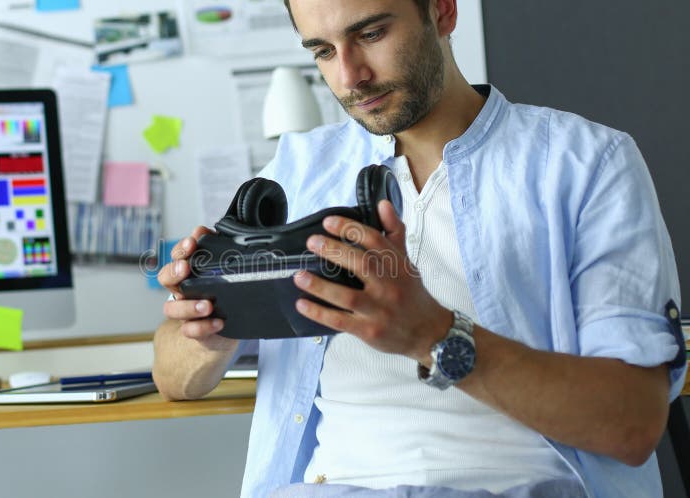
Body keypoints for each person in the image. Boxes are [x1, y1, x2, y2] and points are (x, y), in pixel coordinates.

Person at [152, 0, 687, 497]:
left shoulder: (585, 165)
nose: (348, 76)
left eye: (372, 33)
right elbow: (173, 377)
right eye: (323, 50)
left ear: (442, 10)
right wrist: (215, 322)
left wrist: (434, 334)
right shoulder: (295, 173)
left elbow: (632, 423)